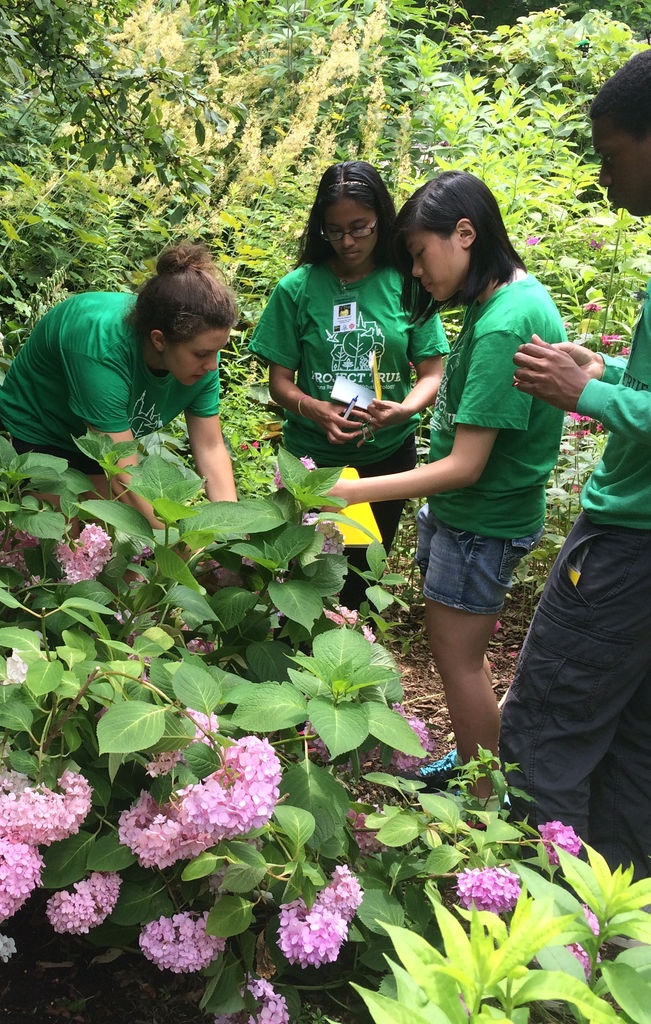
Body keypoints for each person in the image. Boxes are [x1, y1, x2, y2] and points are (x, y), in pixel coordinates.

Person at [328, 170, 566, 798]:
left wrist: (353, 492)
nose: (414, 271)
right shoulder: (505, 301)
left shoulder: (502, 325)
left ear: (464, 233)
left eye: (418, 252)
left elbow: (466, 465)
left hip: (480, 519)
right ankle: (471, 759)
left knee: (457, 658)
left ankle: (485, 798)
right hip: (470, 516)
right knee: (458, 651)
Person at [501, 50, 651, 878]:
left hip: (628, 545)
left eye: (608, 151)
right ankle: (619, 942)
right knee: (634, 740)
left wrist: (588, 398)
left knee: (547, 731)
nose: (601, 175)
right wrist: (611, 375)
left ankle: (532, 935)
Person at [248, 161, 449, 609]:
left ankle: (350, 655)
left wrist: (405, 410)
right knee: (304, 576)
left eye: (361, 227)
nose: (348, 241)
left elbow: (432, 372)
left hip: (386, 458)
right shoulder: (297, 289)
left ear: (384, 218)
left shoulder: (408, 282)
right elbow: (279, 383)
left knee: (358, 577)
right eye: (334, 230)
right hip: (312, 462)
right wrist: (312, 409)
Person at [0, 242, 238, 528]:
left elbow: (210, 448)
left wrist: (230, 529)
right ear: (159, 340)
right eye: (201, 354)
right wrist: (183, 546)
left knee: (118, 554)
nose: (212, 366)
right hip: (39, 429)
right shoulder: (103, 351)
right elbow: (123, 477)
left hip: (101, 439)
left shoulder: (203, 352)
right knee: (67, 539)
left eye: (218, 350)